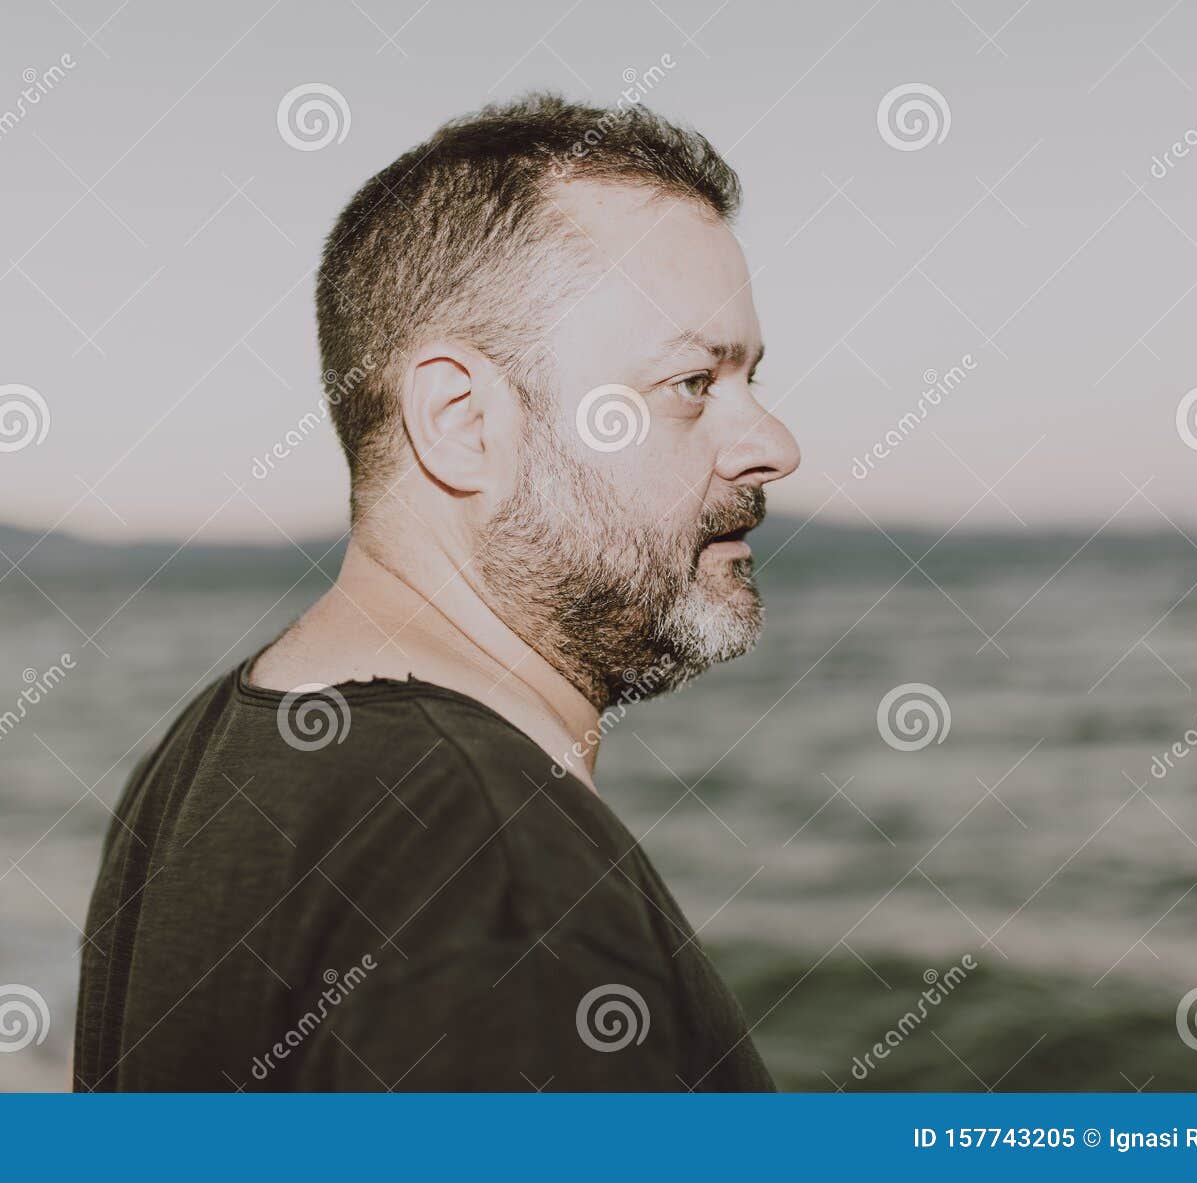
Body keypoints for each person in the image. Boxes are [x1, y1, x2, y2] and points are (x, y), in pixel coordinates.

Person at [74, 93, 800, 1091]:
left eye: (753, 379)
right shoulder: (499, 877)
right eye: (691, 384)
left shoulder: (216, 749)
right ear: (461, 420)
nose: (774, 445)